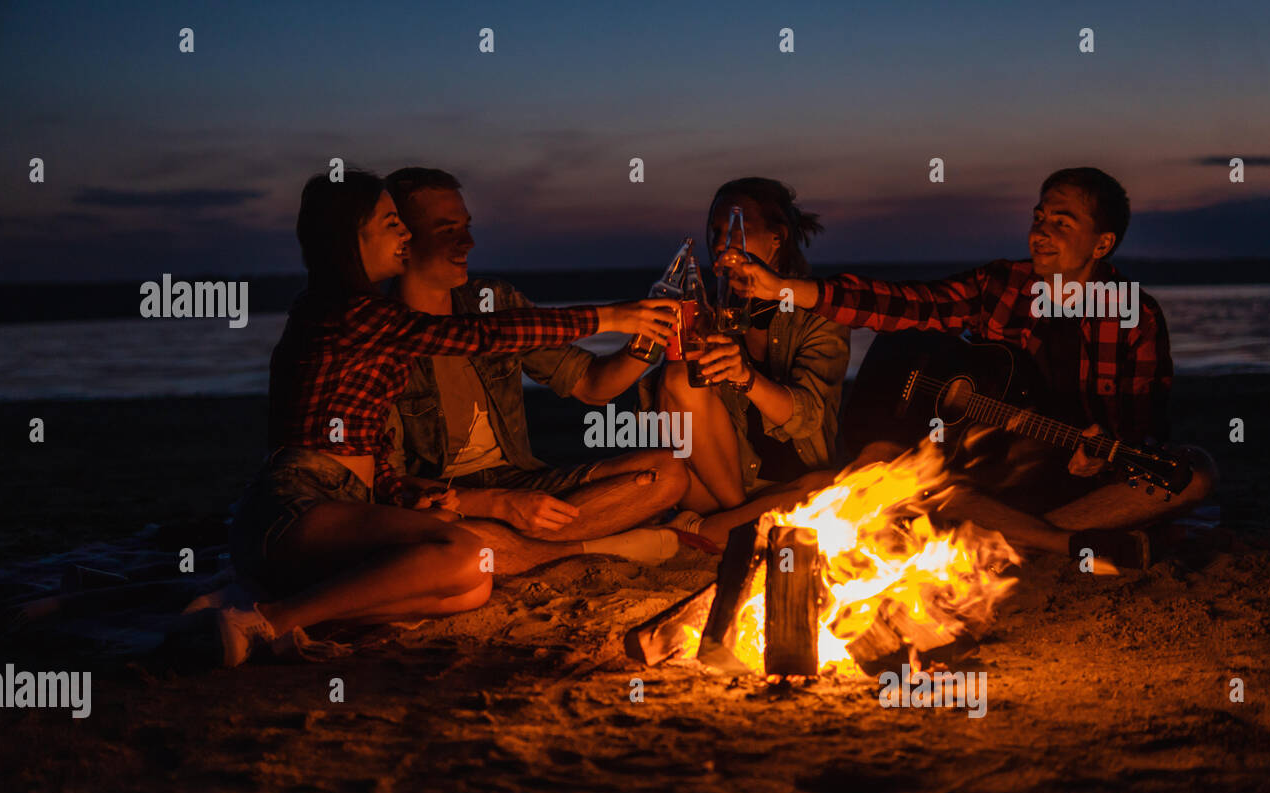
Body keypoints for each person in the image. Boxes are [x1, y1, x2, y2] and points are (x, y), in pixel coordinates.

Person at [190, 170, 679, 667]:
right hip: (297, 503)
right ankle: (267, 619)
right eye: (391, 225)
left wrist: (411, 495)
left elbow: (373, 450)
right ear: (350, 236)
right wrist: (611, 317)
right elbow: (478, 337)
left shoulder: (376, 327)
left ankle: (287, 611)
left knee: (470, 589)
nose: (403, 235)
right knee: (465, 550)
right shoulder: (346, 314)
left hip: (348, 504)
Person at [718, 167, 1217, 571]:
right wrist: (783, 288)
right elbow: (906, 304)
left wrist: (1105, 451)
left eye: (1060, 223)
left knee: (1192, 475)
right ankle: (1049, 543)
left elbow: (1144, 428)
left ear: (1102, 243)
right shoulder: (1002, 284)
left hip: (1067, 482)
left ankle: (1008, 540)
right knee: (923, 483)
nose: (1039, 232)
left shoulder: (1136, 315)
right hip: (989, 477)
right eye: (1039, 217)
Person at [380, 166, 688, 541]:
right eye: (448, 230)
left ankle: (521, 544)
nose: (467, 243)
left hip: (519, 479)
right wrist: (495, 504)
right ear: (403, 241)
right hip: (446, 500)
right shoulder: (378, 332)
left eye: (467, 227)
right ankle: (559, 546)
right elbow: (388, 482)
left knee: (667, 473)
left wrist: (647, 338)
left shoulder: (492, 302)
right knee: (443, 529)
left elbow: (592, 386)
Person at [645, 177, 850, 550]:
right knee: (677, 376)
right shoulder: (709, 314)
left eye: (738, 230)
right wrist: (663, 344)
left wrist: (746, 377)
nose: (721, 244)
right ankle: (736, 524)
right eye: (716, 232)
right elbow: (667, 413)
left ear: (777, 238)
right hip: (723, 488)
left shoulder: (816, 312)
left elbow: (808, 417)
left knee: (829, 485)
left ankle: (714, 531)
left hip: (791, 483)